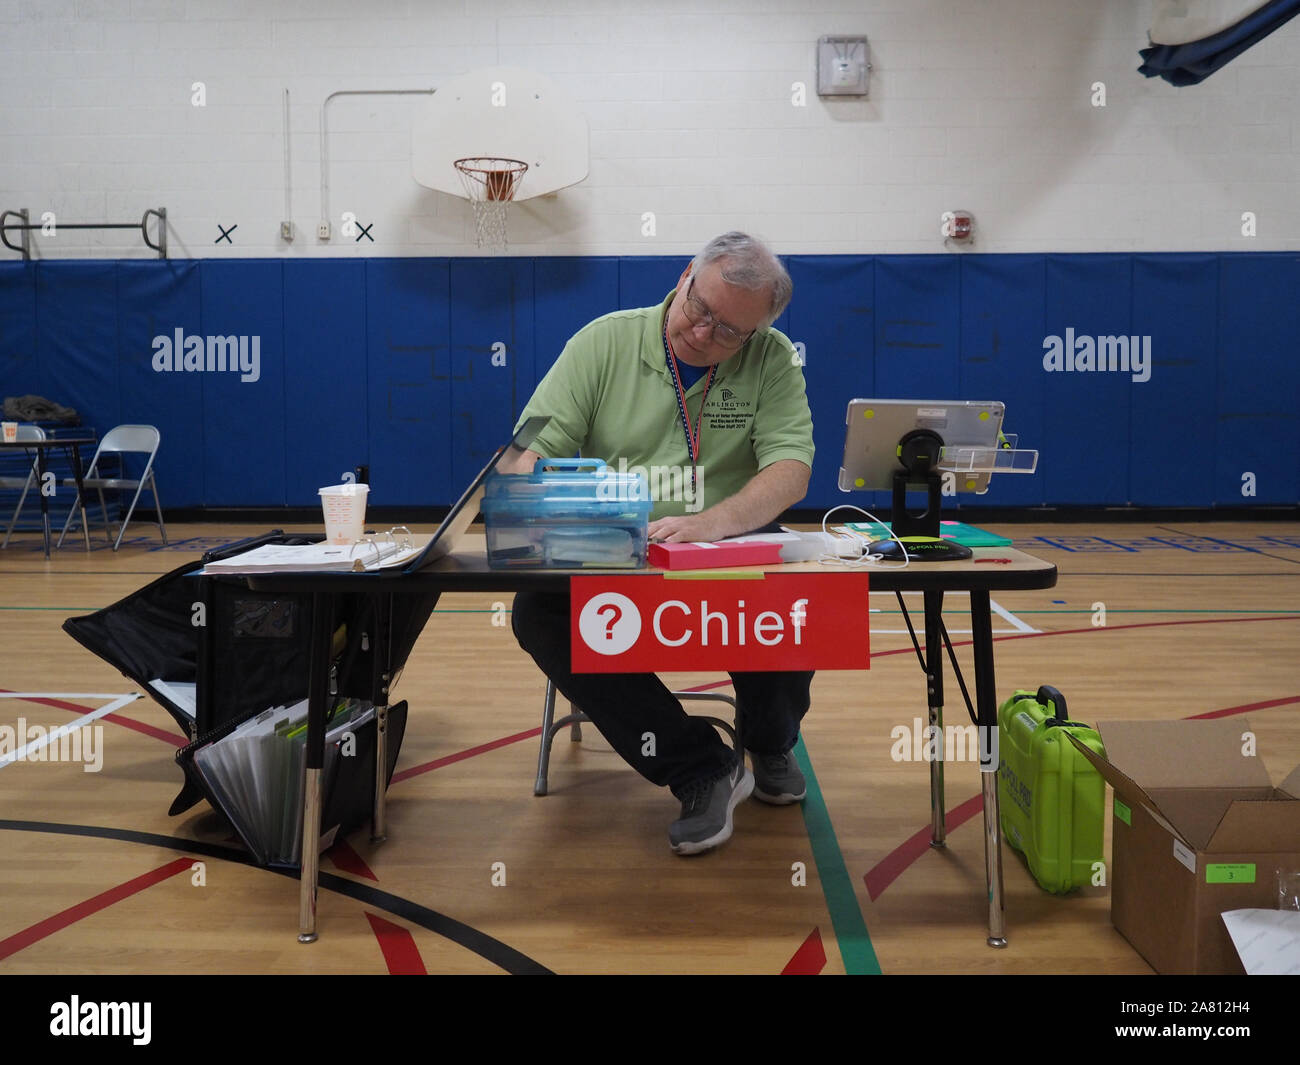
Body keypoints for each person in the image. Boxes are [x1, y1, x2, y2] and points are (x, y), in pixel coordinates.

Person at [503, 231, 815, 855]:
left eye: (729, 332)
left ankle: (771, 741)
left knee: (794, 596)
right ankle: (700, 766)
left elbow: (791, 468)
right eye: (700, 310)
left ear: (755, 334)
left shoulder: (773, 358)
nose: (704, 335)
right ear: (683, 277)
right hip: (618, 548)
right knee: (539, 613)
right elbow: (523, 456)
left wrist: (716, 522)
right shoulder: (602, 341)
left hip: (727, 545)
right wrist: (564, 502)